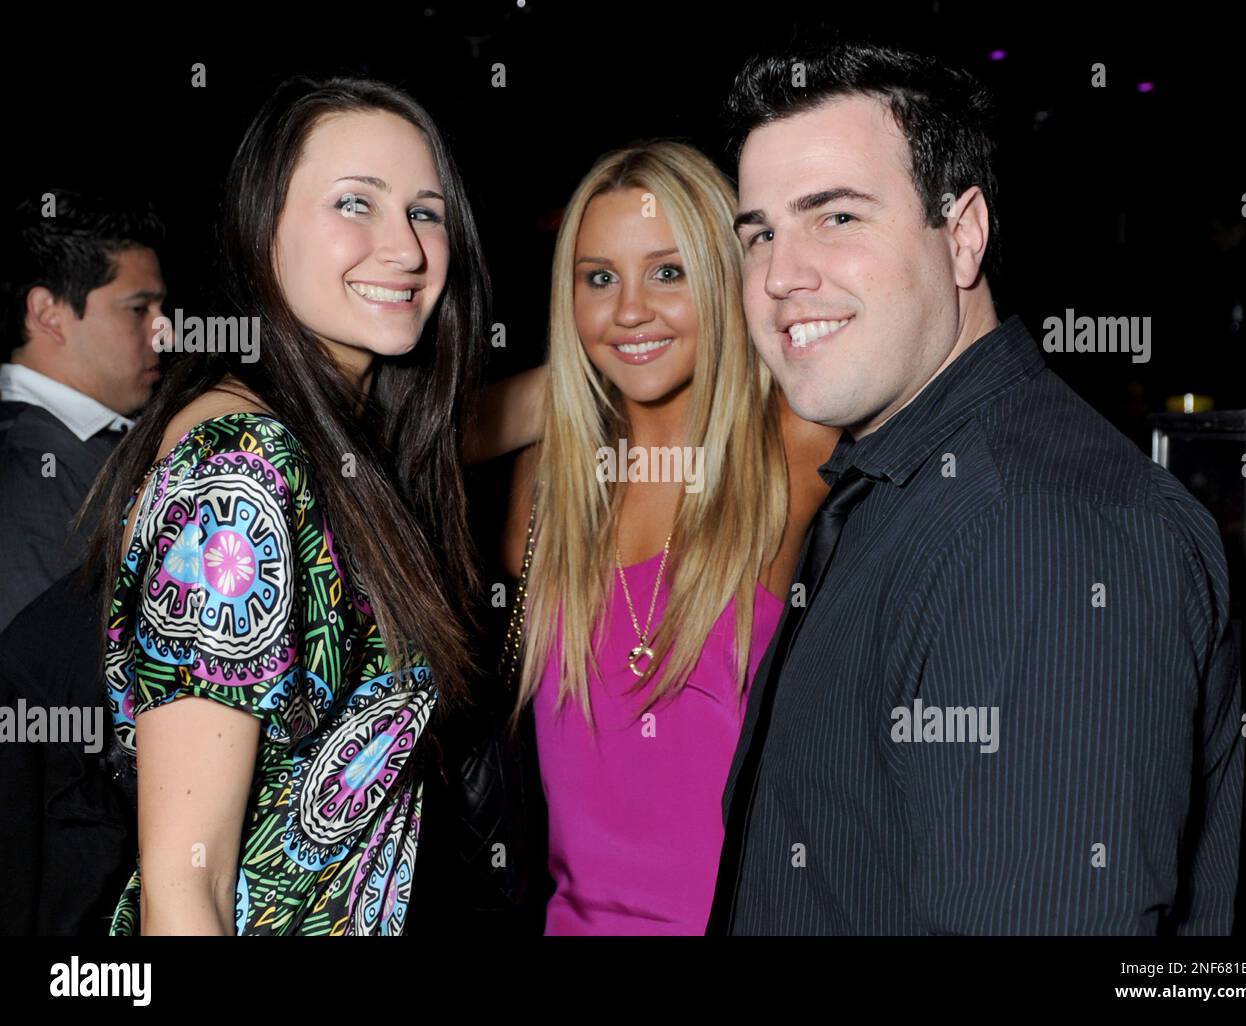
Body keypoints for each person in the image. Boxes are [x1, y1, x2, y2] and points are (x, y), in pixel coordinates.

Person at [710, 41, 1243, 935]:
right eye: (760, 231)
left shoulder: (1037, 535)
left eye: (835, 218)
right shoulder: (903, 476)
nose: (777, 277)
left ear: (962, 235)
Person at [88, 75, 490, 935]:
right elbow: (183, 886)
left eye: (426, 212)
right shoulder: (239, 470)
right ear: (262, 225)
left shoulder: (343, 444)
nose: (407, 249)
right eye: (356, 204)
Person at [501, 140, 837, 935]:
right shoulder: (549, 481)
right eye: (598, 279)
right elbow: (382, 448)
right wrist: (576, 375)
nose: (629, 308)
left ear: (726, 278)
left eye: (668, 271)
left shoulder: (791, 450)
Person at [0, 191, 165, 631]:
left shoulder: (86, 443)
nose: (163, 333)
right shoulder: (24, 470)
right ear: (49, 314)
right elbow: (42, 678)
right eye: (138, 309)